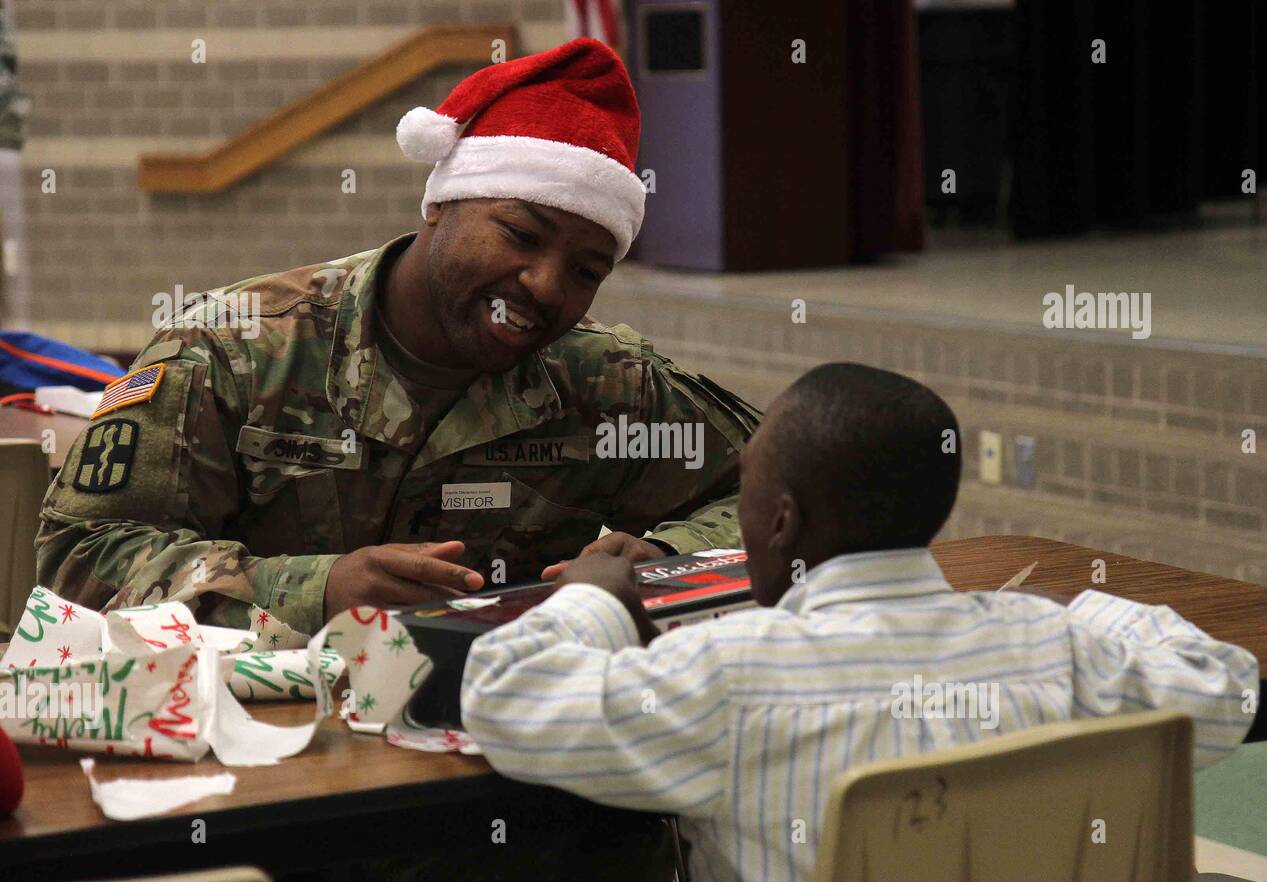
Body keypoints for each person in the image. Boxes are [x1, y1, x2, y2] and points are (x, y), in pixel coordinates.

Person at [35, 40, 758, 635]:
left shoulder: (605, 383)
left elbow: (789, 494)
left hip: (504, 743)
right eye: (520, 234)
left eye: (586, 269)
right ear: (441, 205)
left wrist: (665, 557)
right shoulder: (230, 349)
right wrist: (315, 589)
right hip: (261, 753)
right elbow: (78, 559)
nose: (545, 284)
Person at [461, 362, 1259, 882]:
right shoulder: (1062, 651)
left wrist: (598, 596)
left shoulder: (724, 676)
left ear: (780, 521)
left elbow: (500, 693)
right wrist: (1072, 614)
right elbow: (1223, 680)